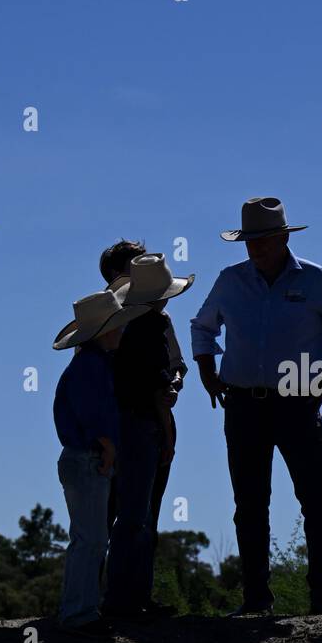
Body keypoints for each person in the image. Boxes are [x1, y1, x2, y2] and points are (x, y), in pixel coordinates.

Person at [190, 197, 322, 616]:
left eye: (264, 238)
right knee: (250, 504)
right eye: (250, 239)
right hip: (243, 404)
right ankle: (256, 599)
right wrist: (206, 371)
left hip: (298, 404)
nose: (255, 246)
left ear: (284, 237)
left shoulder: (317, 281)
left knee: (318, 500)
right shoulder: (230, 281)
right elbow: (202, 325)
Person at [98, 253, 193, 618]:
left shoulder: (128, 322)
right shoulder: (146, 325)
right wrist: (167, 429)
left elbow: (170, 370)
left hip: (131, 422)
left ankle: (126, 596)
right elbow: (153, 387)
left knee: (133, 515)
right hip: (142, 423)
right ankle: (124, 598)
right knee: (136, 516)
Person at [51, 285, 147, 636]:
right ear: (104, 331)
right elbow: (96, 417)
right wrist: (109, 451)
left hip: (80, 458)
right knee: (90, 538)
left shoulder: (89, 363)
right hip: (87, 457)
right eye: (116, 325)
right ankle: (78, 612)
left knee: (88, 537)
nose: (121, 331)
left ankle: (78, 608)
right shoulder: (92, 367)